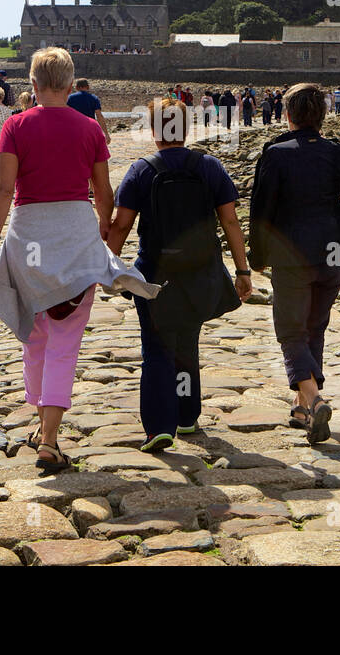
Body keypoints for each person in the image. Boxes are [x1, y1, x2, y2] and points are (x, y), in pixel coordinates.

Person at [0, 48, 158, 473]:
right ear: (70, 81)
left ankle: (41, 425)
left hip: (28, 235)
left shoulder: (16, 125)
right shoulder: (89, 129)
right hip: (75, 233)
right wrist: (102, 230)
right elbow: (104, 192)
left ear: (34, 84)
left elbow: (3, 190)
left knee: (35, 335)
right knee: (65, 338)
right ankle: (50, 438)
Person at [106, 98, 252, 451]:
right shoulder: (209, 167)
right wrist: (242, 270)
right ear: (187, 129)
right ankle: (187, 416)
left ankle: (159, 425)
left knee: (156, 348)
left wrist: (105, 265)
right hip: (200, 274)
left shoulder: (141, 170)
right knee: (187, 344)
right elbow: (230, 221)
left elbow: (122, 226)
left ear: (154, 130)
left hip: (154, 273)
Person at [248, 84, 340, 445]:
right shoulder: (335, 152)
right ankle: (303, 409)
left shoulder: (276, 155)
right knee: (316, 328)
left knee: (290, 331)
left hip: (293, 253)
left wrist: (257, 257)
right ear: (322, 114)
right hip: (332, 250)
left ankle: (314, 398)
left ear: (287, 114)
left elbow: (262, 209)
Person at [67, 78, 111, 145]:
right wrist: (106, 134)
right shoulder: (94, 98)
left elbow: (65, 114)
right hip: (90, 128)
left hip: (74, 128)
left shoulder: (70, 98)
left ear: (76, 87)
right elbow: (99, 116)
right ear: (88, 87)